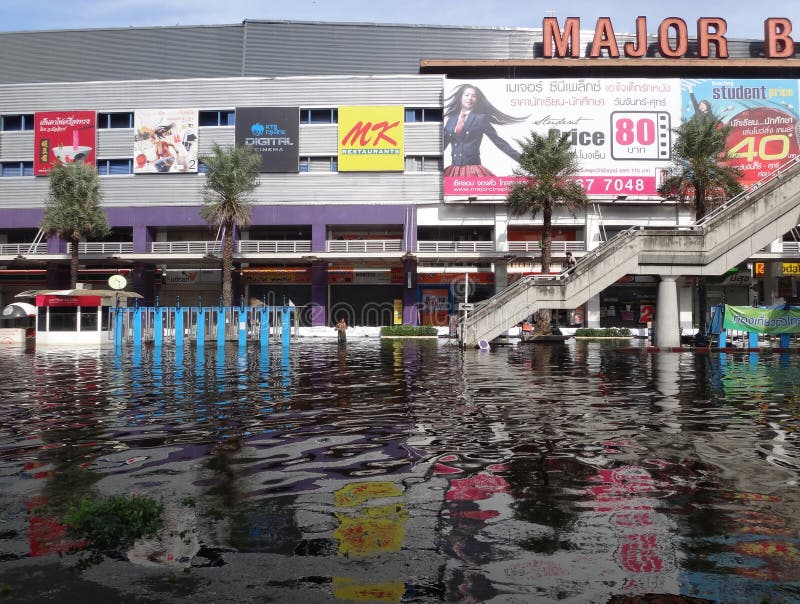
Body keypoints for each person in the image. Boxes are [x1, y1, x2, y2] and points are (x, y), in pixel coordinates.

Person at [443, 83, 527, 177]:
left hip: (473, 170)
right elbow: (441, 147)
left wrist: (526, 162)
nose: (470, 98)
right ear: (460, 97)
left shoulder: (480, 119)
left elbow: (500, 143)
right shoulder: (451, 120)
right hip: (453, 171)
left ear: (477, 100)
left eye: (474, 96)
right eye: (466, 95)